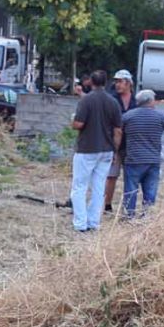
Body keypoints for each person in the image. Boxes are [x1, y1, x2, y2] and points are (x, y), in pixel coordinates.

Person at [69, 68, 122, 232]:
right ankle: (94, 222)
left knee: (79, 186)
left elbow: (79, 124)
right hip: (106, 149)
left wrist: (72, 121)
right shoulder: (113, 102)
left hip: (87, 148)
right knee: (99, 188)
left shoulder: (86, 101)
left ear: (91, 82)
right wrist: (115, 150)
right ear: (106, 83)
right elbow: (118, 130)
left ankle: (80, 223)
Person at [104, 69, 134, 214]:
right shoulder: (111, 99)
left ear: (128, 83)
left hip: (131, 143)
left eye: (120, 81)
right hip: (114, 143)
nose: (117, 85)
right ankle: (107, 204)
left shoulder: (137, 100)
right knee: (111, 175)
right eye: (116, 82)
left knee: (131, 176)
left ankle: (128, 207)